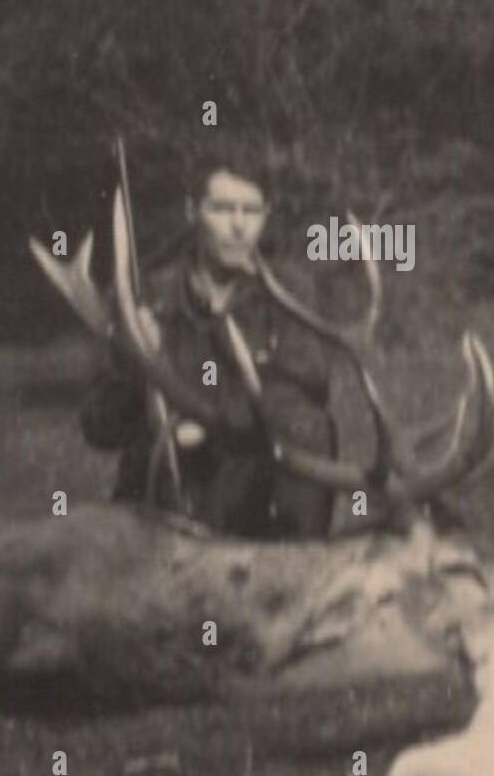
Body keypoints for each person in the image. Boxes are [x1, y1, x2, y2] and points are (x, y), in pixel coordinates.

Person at [80, 162, 338, 539]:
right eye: (221, 209)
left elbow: (310, 383)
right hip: (164, 487)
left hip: (248, 484)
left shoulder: (286, 292)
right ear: (192, 212)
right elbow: (98, 428)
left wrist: (211, 420)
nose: (238, 226)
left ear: (266, 217)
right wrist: (132, 366)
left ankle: (297, 559)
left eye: (250, 211)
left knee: (308, 426)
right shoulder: (142, 298)